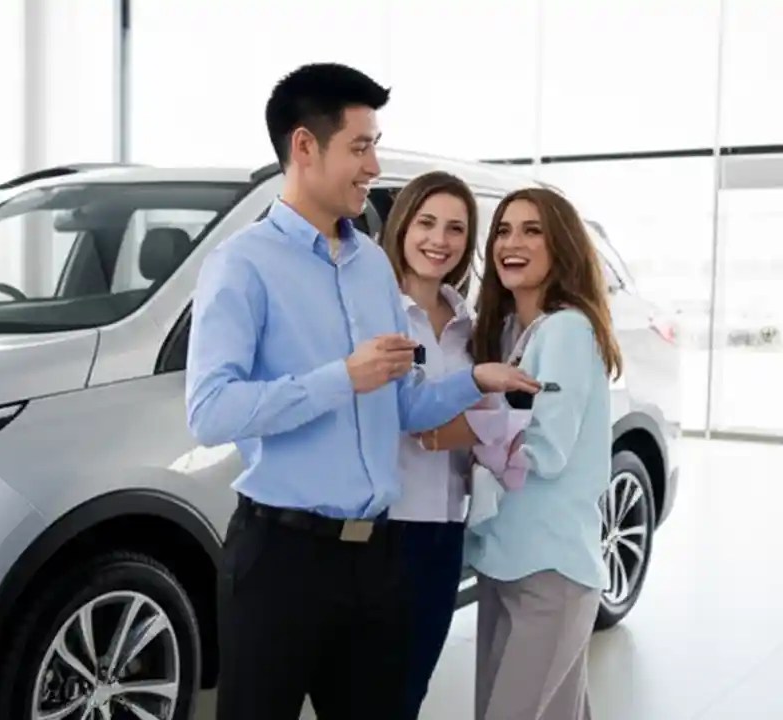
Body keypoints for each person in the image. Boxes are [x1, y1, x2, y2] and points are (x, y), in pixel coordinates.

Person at [184, 62, 541, 720]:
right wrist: (340, 378)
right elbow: (210, 413)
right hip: (279, 563)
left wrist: (471, 380)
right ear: (304, 147)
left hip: (378, 560)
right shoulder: (242, 265)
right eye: (360, 146)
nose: (374, 165)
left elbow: (401, 405)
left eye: (374, 145)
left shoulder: (374, 265)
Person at [464, 187, 623, 720]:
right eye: (504, 230)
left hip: (549, 572)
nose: (513, 242)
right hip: (504, 562)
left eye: (533, 230)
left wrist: (453, 429)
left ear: (562, 246)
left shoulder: (569, 330)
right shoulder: (512, 330)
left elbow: (545, 452)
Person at [376, 170, 480, 717]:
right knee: (370, 694)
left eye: (456, 229)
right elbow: (405, 420)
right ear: (402, 225)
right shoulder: (377, 312)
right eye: (427, 223)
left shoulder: (472, 322)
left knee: (411, 689)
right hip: (383, 532)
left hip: (445, 531)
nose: (440, 240)